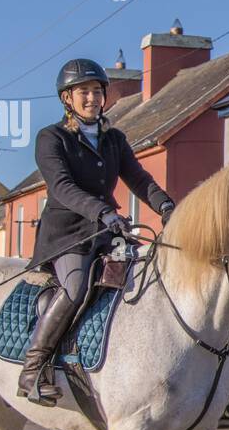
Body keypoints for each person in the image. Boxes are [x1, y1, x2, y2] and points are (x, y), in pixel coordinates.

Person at [18, 58, 176, 405]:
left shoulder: (114, 139)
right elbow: (61, 187)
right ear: (67, 99)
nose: (91, 98)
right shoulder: (51, 138)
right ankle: (34, 367)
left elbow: (138, 179)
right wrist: (104, 212)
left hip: (107, 232)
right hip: (67, 236)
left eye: (96, 91)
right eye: (83, 92)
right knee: (75, 287)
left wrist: (166, 206)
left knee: (142, 278)